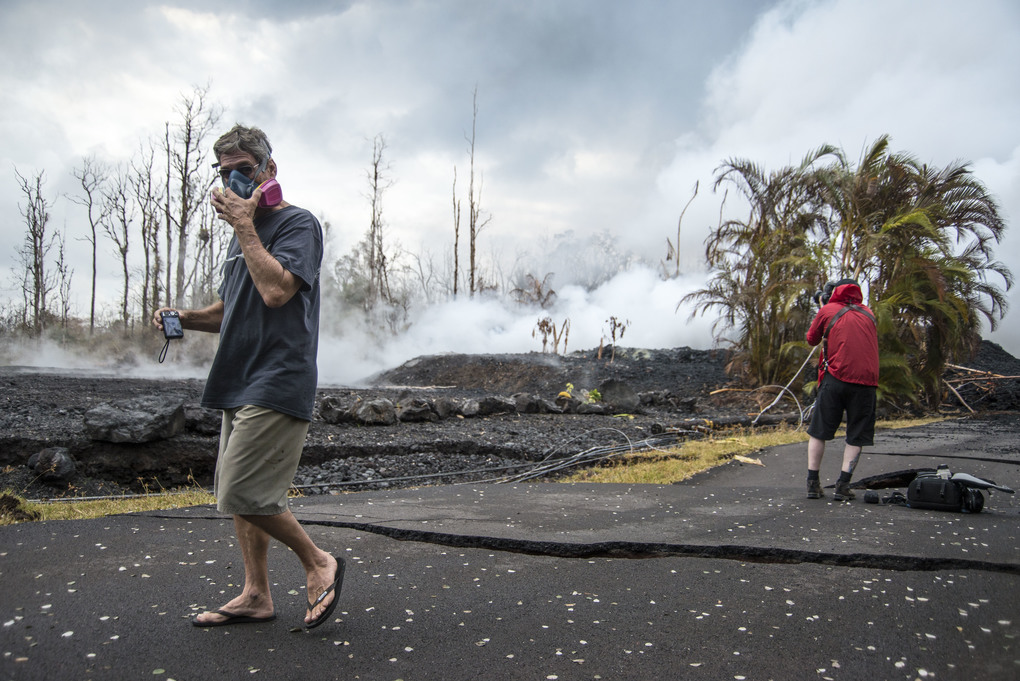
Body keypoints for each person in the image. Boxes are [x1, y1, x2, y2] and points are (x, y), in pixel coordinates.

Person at [153, 124, 344, 628]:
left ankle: (318, 562)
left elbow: (278, 291)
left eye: (243, 170)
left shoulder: (298, 225)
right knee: (247, 494)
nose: (234, 181)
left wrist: (244, 226)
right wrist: (187, 318)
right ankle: (257, 594)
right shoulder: (242, 241)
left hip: (279, 378)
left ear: (269, 171)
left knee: (237, 490)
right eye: (224, 173)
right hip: (236, 377)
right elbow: (232, 309)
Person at [804, 278, 879, 502]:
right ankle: (843, 485)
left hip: (835, 379)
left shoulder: (828, 310)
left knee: (819, 431)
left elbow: (811, 339)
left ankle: (812, 483)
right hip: (866, 384)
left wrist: (822, 306)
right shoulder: (869, 314)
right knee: (856, 435)